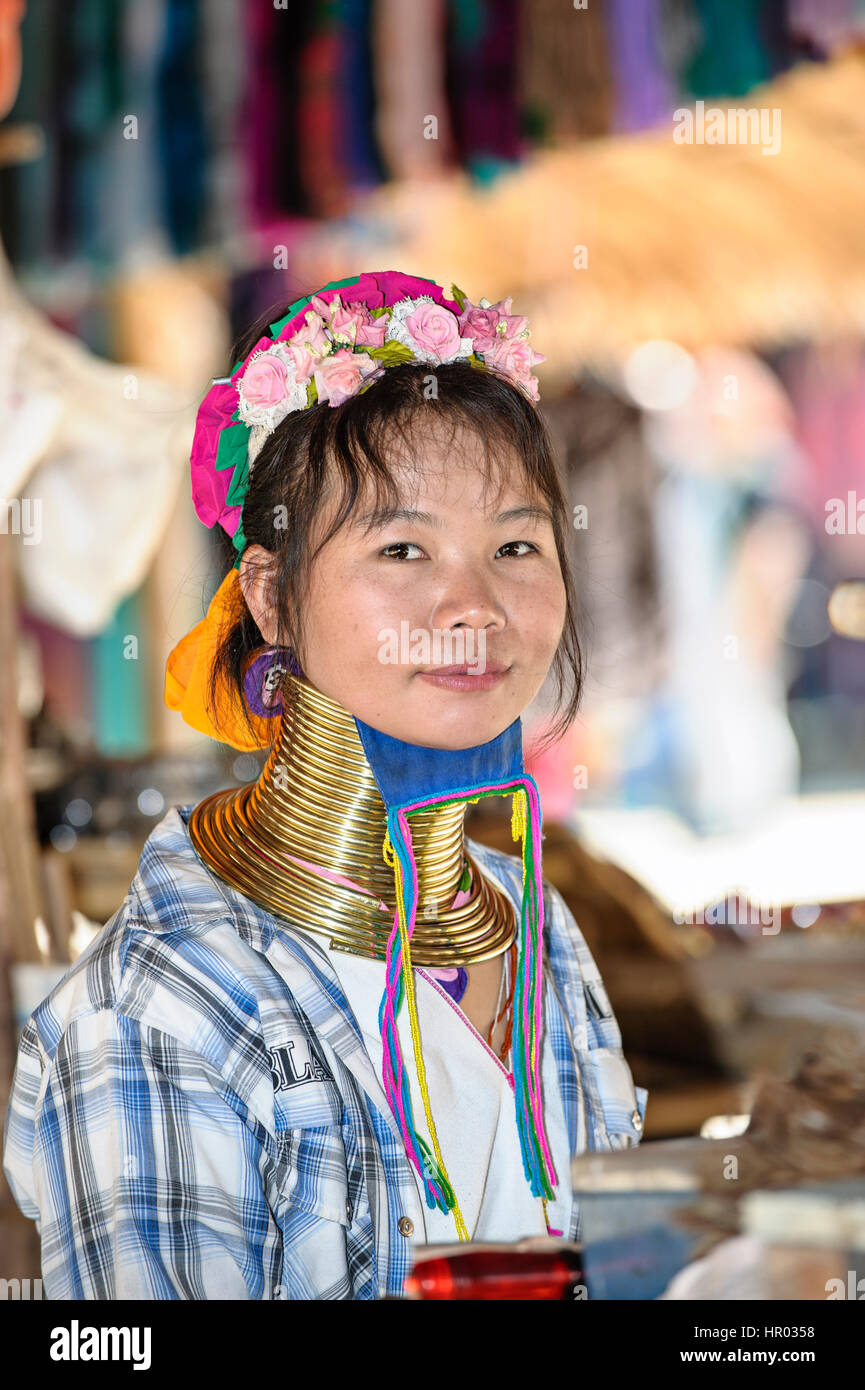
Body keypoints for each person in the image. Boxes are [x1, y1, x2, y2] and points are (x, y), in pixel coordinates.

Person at [3, 270, 647, 1299]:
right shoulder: (161, 1008)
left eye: (516, 545)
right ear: (270, 594)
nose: (473, 603)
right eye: (402, 547)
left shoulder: (533, 924)